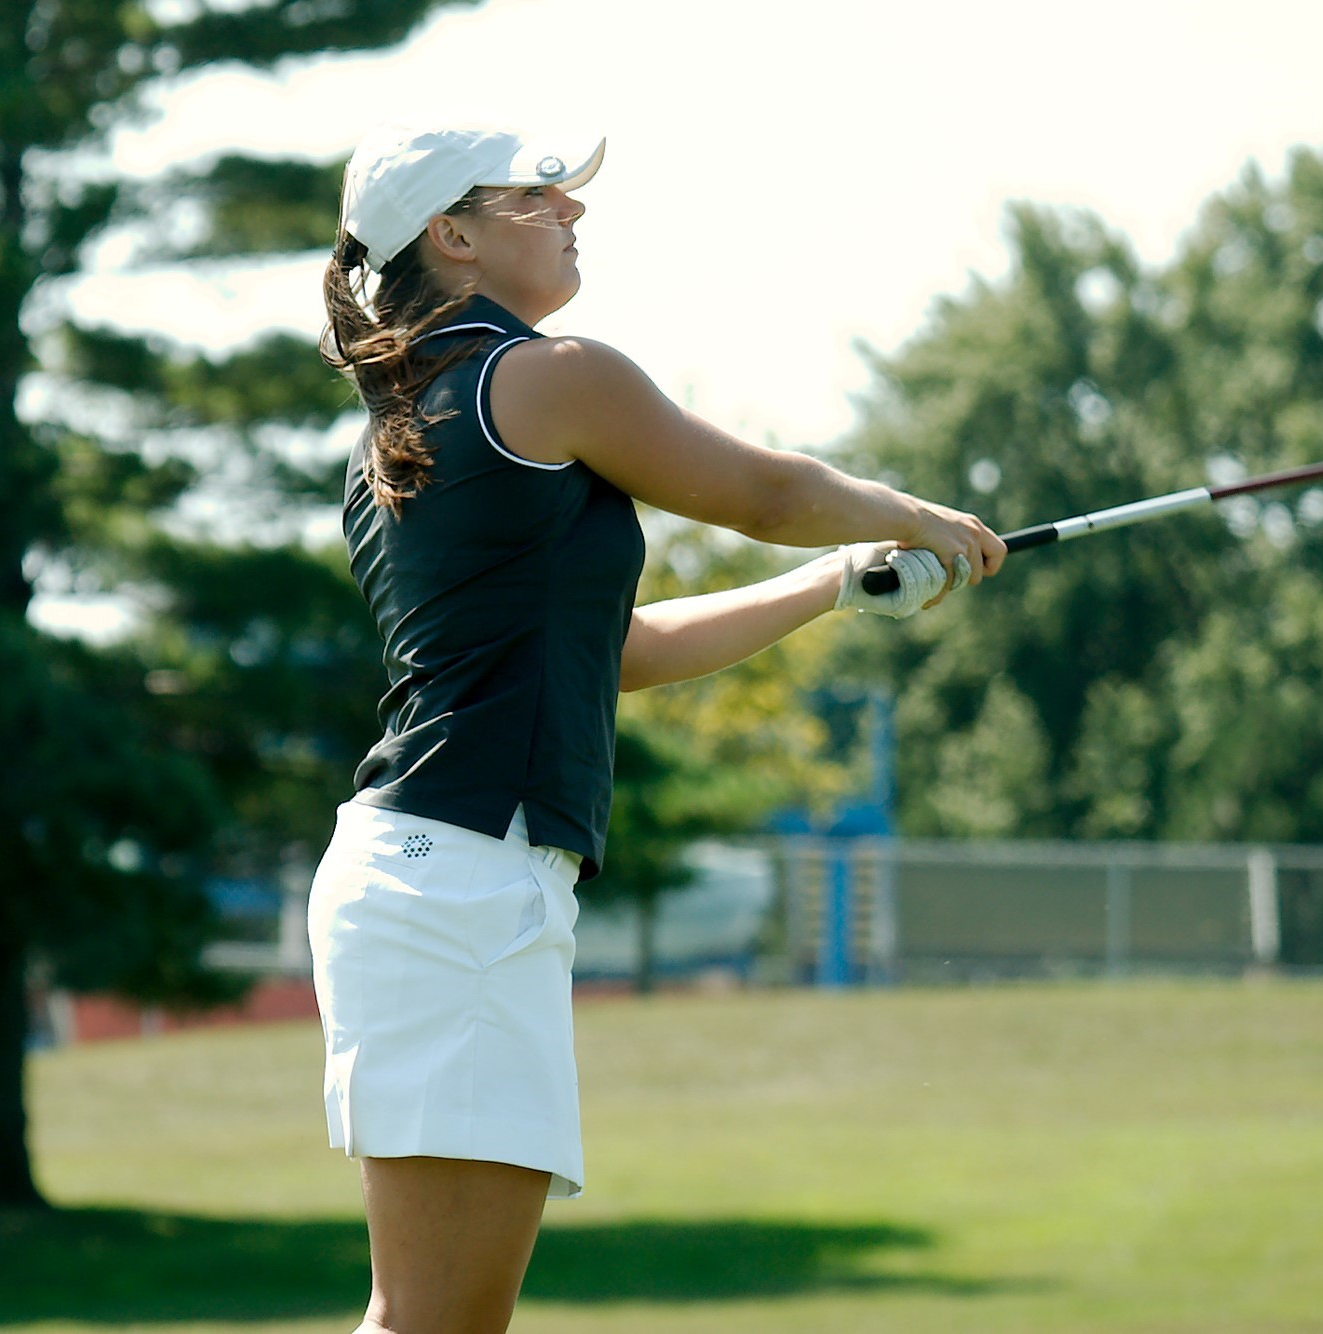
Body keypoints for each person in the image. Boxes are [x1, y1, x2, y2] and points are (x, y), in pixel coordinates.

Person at [308, 124, 1006, 1334]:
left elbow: (619, 649)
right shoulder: (549, 374)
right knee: (435, 1322)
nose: (571, 213)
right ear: (451, 234)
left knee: (425, 1317)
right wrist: (919, 513)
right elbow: (763, 492)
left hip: (430, 874)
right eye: (537, 196)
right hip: (459, 879)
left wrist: (835, 580)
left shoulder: (410, 417)